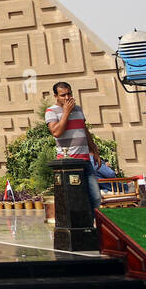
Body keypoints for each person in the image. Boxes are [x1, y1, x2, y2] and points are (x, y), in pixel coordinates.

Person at [45, 81, 102, 215]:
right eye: (63, 95)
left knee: (95, 197)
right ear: (56, 96)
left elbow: (84, 131)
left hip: (85, 160)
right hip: (68, 164)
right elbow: (56, 132)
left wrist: (94, 150)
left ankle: (92, 227)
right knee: (74, 200)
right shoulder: (51, 111)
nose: (67, 98)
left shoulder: (78, 109)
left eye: (69, 94)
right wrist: (65, 113)